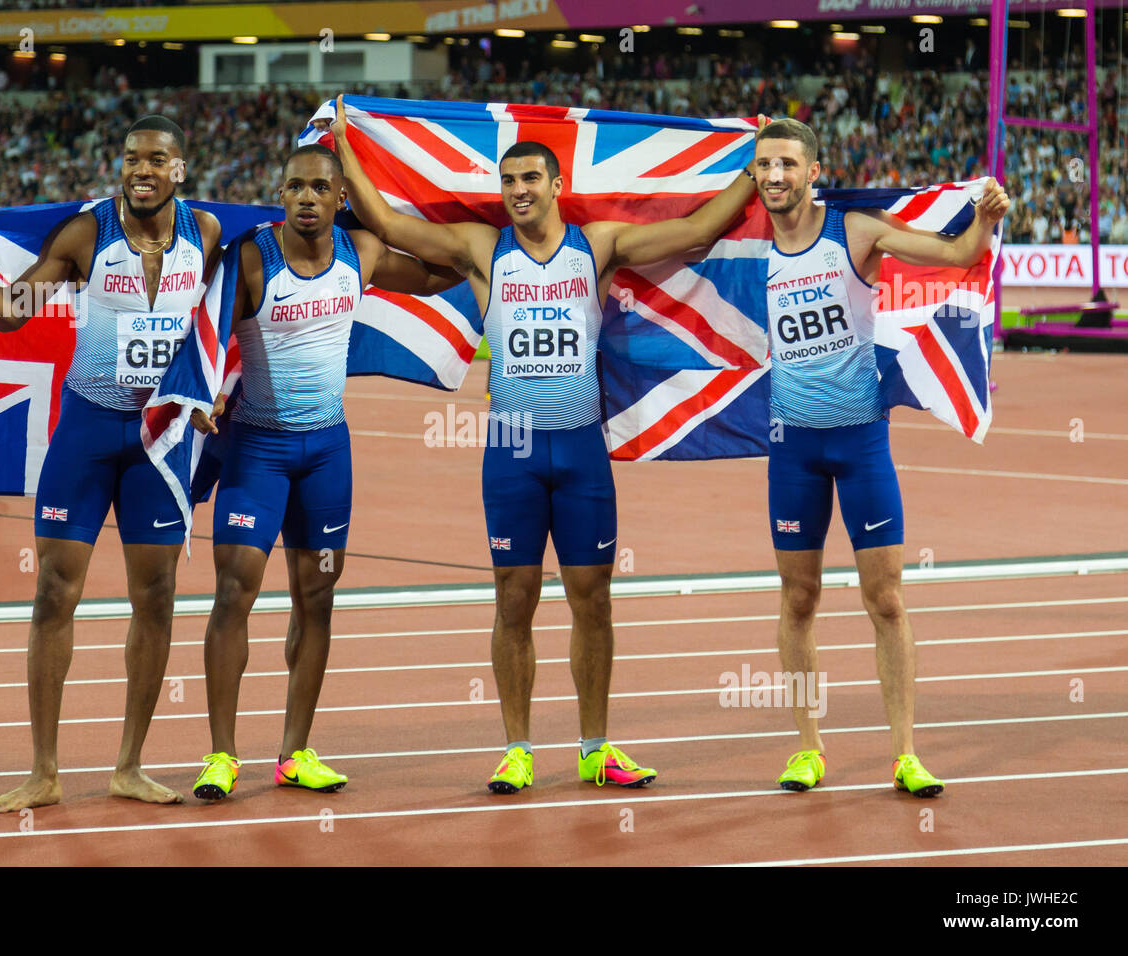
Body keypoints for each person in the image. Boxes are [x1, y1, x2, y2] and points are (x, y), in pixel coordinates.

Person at [332, 96, 762, 793]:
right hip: (512, 447)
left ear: (556, 185)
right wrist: (346, 141)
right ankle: (519, 748)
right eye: (509, 182)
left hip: (580, 447)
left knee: (593, 598)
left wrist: (756, 162)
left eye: (531, 179)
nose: (519, 192)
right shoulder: (482, 247)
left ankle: (596, 747)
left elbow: (696, 229)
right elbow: (385, 222)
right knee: (515, 597)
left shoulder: (598, 245)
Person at [0, 115, 223, 812]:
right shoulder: (90, 233)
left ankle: (129, 766)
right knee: (56, 590)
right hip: (87, 430)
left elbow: (229, 320)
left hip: (159, 441)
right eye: (129, 158)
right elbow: (7, 311)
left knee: (156, 598)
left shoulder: (206, 236)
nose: (139, 170)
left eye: (155, 160)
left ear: (181, 169)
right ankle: (44, 770)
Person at [190, 144, 461, 800]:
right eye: (294, 187)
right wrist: (202, 393)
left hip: (326, 454)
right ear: (279, 194)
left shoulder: (359, 254)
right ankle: (221, 756)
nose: (306, 198)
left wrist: (478, 243)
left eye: (320, 188)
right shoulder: (253, 259)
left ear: (342, 198)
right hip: (258, 449)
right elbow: (201, 329)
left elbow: (430, 277)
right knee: (235, 591)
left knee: (318, 597)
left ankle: (295, 752)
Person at [751, 118, 1009, 796]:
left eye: (786, 163)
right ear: (754, 175)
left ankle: (905, 753)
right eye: (764, 165)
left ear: (812, 171)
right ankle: (808, 749)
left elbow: (954, 255)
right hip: (792, 449)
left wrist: (985, 219)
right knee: (798, 597)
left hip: (862, 440)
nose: (774, 175)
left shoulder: (853, 229)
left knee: (886, 598)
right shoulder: (744, 247)